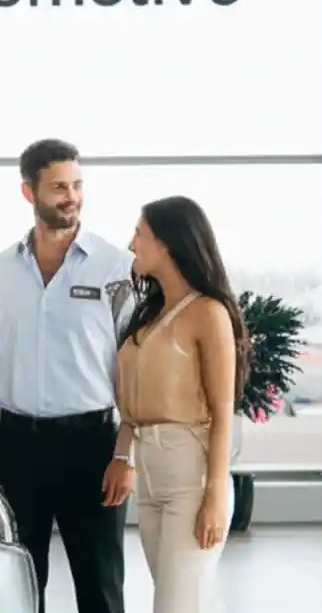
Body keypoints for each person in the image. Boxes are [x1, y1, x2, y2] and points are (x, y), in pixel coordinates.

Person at [0, 139, 135, 613]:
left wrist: (127, 453)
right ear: (29, 192)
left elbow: (133, 364)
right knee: (17, 585)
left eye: (77, 184)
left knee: (101, 587)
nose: (71, 196)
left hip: (93, 448)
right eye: (59, 186)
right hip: (17, 449)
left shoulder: (115, 266)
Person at [100, 195, 246, 613]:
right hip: (150, 478)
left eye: (139, 234)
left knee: (176, 607)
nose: (131, 245)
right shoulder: (149, 313)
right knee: (178, 600)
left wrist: (215, 496)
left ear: (167, 243)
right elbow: (133, 396)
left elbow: (222, 413)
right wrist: (121, 455)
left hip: (191, 478)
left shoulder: (209, 312)